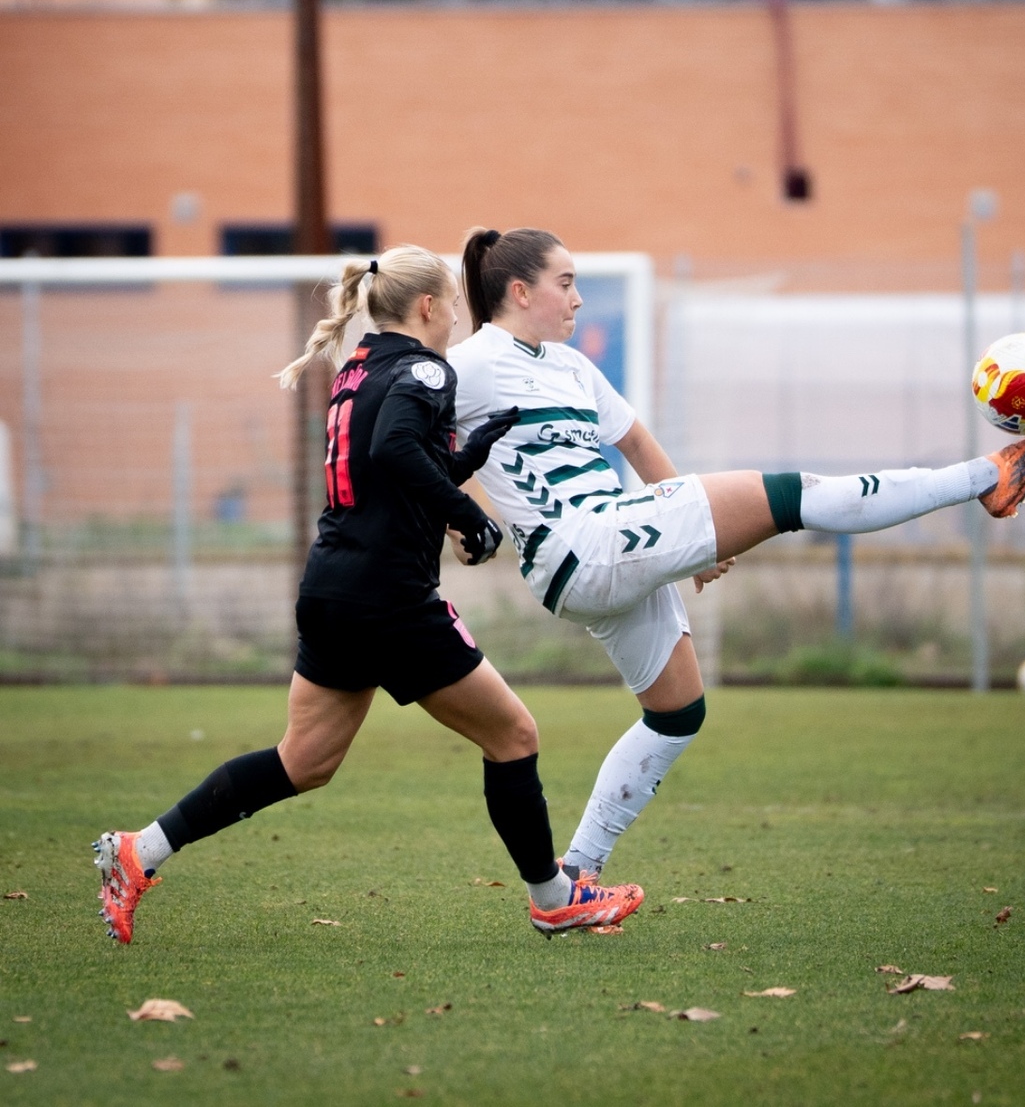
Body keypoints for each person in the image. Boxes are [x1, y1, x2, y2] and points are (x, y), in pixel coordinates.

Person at [450, 227, 1025, 879]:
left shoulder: (572, 367)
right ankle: (985, 477)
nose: (576, 299)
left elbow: (635, 443)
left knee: (677, 713)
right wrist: (458, 519)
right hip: (583, 545)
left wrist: (688, 540)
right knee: (797, 495)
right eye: (565, 283)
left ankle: (579, 872)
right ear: (520, 291)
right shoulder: (473, 364)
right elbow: (407, 432)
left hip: (607, 548)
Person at [93, 245, 644, 944]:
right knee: (514, 736)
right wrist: (468, 512)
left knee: (304, 761)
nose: (456, 316)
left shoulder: (360, 367)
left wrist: (473, 455)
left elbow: (394, 458)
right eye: (451, 301)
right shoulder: (423, 367)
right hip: (390, 598)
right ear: (427, 307)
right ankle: (553, 897)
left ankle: (139, 851)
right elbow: (394, 452)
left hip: (332, 589)